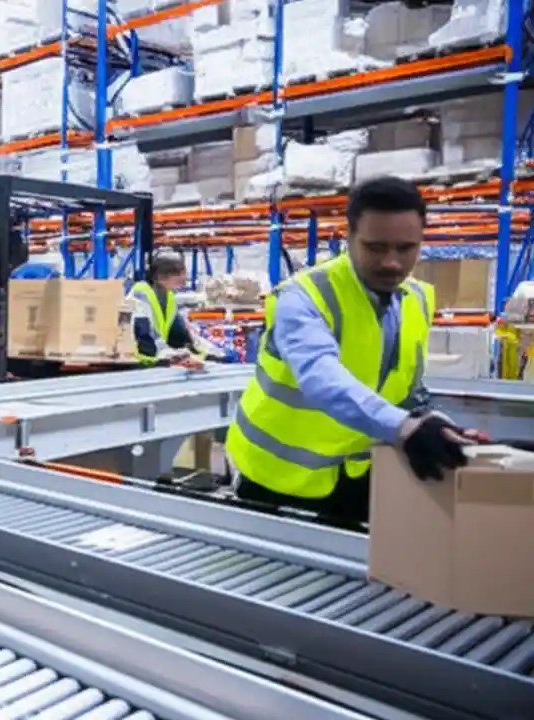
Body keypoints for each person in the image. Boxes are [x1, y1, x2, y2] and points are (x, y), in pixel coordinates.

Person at [224, 177, 479, 526]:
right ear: (349, 236)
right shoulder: (305, 296)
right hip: (276, 478)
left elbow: (407, 388)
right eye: (375, 247)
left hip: (355, 473)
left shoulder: (417, 298)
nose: (391, 262)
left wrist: (436, 425)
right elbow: (320, 377)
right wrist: (404, 429)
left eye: (405, 248)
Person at [132, 253, 234, 365]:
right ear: (160, 277)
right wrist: (168, 355)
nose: (184, 278)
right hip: (141, 362)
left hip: (157, 360)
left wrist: (213, 353)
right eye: (178, 274)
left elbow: (183, 335)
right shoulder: (141, 294)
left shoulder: (168, 297)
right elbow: (143, 335)